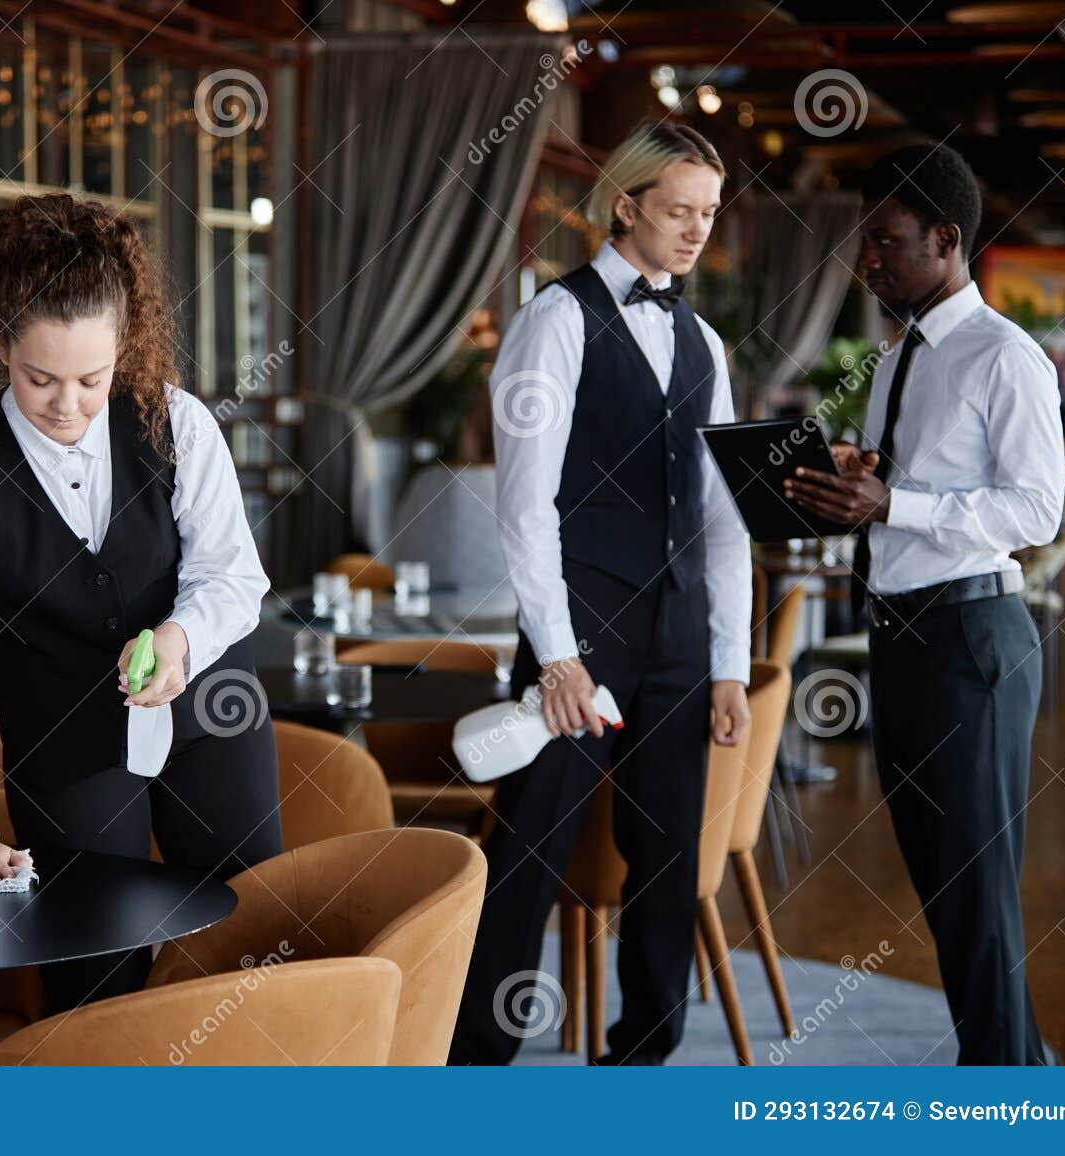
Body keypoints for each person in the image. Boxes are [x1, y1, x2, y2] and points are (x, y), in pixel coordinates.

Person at [0, 193, 281, 1014]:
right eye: (40, 378)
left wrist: (180, 639)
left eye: (92, 379)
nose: (67, 405)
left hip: (209, 701)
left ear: (124, 351)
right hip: (65, 731)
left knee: (248, 945)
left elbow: (233, 576)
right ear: (0, 345)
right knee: (93, 971)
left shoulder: (176, 421)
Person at [449, 121, 752, 1065]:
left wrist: (730, 663)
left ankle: (644, 1058)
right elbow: (526, 505)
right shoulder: (557, 318)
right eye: (677, 211)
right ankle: (473, 1062)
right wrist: (558, 654)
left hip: (679, 636)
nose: (696, 231)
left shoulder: (703, 340)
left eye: (708, 213)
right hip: (579, 627)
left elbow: (724, 518)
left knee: (665, 860)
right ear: (627, 206)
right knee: (528, 852)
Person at [785, 143, 1063, 1064]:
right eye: (866, 242)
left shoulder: (1003, 356)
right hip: (902, 639)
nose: (869, 261)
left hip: (971, 639)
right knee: (952, 901)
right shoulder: (901, 357)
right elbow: (908, 484)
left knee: (979, 902)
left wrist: (894, 501)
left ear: (948, 241)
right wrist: (858, 478)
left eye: (887, 242)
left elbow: (1036, 510)